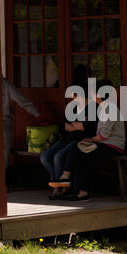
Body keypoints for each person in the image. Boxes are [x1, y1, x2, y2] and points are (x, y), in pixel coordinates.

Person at [59, 80, 127, 202]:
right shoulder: (103, 108)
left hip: (112, 147)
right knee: (76, 148)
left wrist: (90, 139)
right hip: (103, 144)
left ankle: (72, 182)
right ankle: (71, 181)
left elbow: (104, 135)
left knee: (80, 154)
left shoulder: (109, 109)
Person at [41, 65, 94, 198]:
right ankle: (60, 182)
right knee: (45, 157)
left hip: (80, 140)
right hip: (67, 138)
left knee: (58, 157)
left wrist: (75, 126)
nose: (72, 96)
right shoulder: (73, 107)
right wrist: (76, 125)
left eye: (74, 93)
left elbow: (87, 128)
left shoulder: (92, 107)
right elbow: (65, 126)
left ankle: (59, 189)